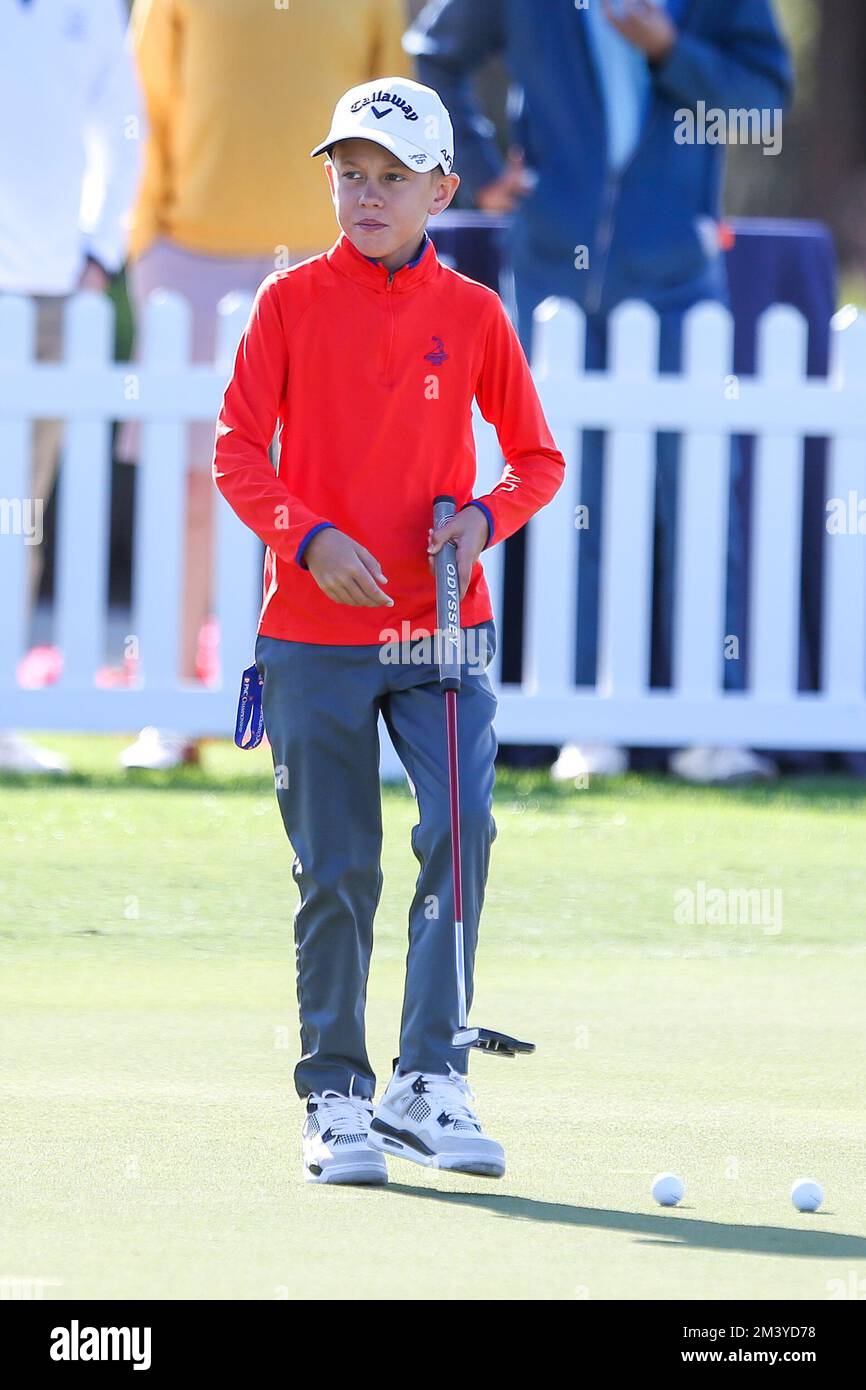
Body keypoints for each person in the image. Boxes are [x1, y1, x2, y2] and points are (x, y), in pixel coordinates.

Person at [212, 77, 565, 1185]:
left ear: (441, 190)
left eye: (391, 178)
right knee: (339, 866)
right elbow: (237, 453)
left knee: (460, 833)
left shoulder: (471, 315)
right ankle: (334, 1093)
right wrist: (305, 536)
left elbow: (535, 461)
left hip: (440, 629)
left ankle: (428, 1078)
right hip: (311, 632)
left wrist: (477, 517)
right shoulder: (284, 303)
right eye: (348, 175)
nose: (365, 196)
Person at [407, 0, 793, 784]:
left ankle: (708, 729)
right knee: (560, 503)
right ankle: (583, 727)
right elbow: (434, 56)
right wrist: (475, 172)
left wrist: (670, 51)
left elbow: (764, 113)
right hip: (552, 274)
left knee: (698, 505)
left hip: (680, 282)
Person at [118, 0, 413, 770]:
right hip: (189, 252)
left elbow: (398, 116)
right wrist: (146, 237)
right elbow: (142, 100)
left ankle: (332, 716)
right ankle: (170, 712)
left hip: (335, 255)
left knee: (337, 496)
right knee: (189, 494)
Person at [0, 0, 143, 775]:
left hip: (49, 292)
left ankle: (1, 720)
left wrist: (98, 251)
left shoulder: (88, 7)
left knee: (13, 512)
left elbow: (122, 126)